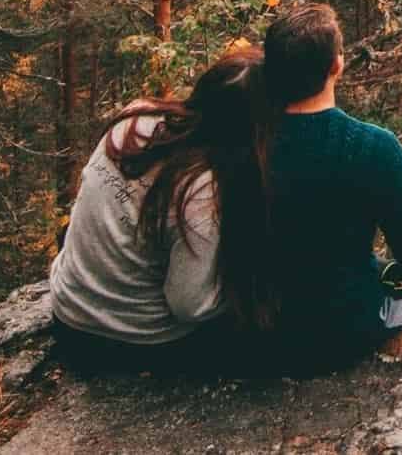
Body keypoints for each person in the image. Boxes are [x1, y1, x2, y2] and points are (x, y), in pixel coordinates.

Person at [48, 45, 271, 375]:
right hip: (133, 343)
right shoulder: (202, 188)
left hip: (66, 314)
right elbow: (189, 306)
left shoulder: (138, 118)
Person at [254, 0, 402, 374]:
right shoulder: (373, 146)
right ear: (337, 66)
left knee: (381, 268)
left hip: (263, 324)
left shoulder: (248, 142)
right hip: (346, 328)